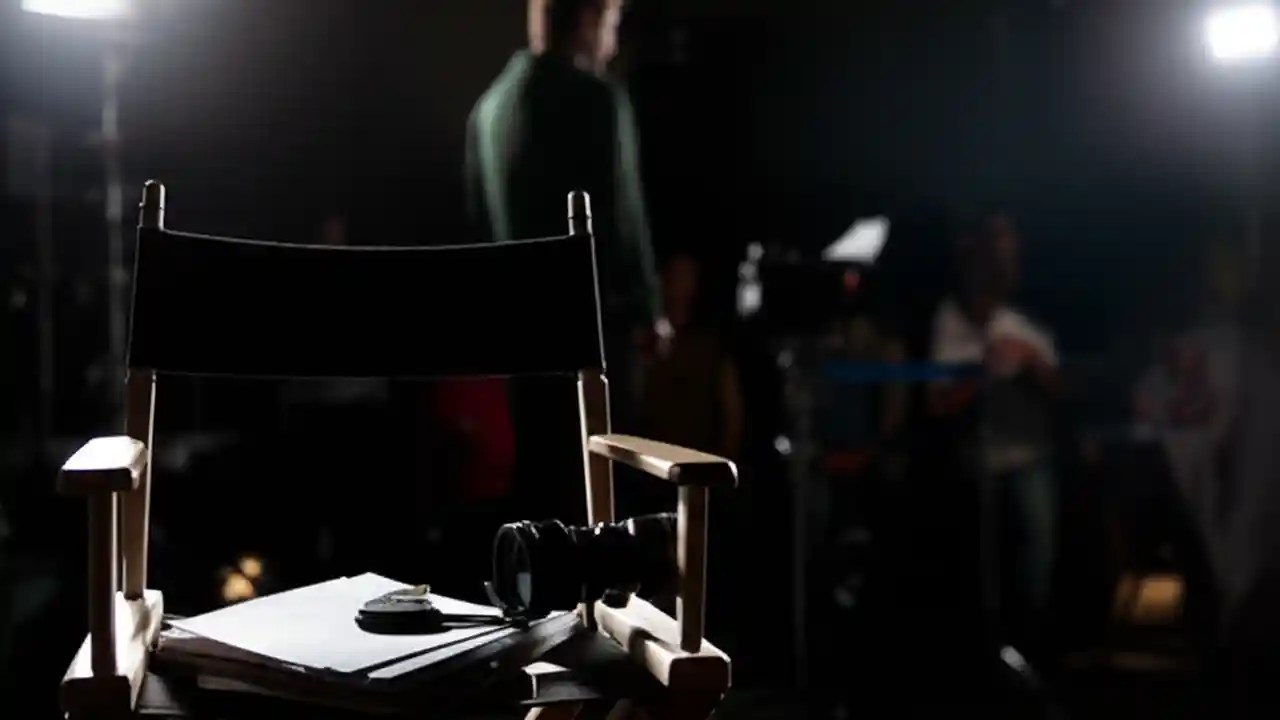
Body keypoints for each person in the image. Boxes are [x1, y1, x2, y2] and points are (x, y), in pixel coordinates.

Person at [465, 0, 663, 412]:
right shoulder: (599, 99)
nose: (611, 45)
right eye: (611, 24)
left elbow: (478, 233)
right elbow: (625, 222)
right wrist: (649, 313)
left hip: (519, 348)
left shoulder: (487, 111)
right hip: (595, 344)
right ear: (590, 18)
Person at [927, 212, 1060, 652]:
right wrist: (982, 374)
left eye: (1010, 251)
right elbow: (938, 402)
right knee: (979, 571)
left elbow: (1061, 389)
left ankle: (1029, 653)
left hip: (1030, 458)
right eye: (995, 251)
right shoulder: (951, 318)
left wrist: (1030, 363)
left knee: (1035, 565)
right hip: (976, 465)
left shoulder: (1027, 318)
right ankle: (983, 656)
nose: (1004, 261)